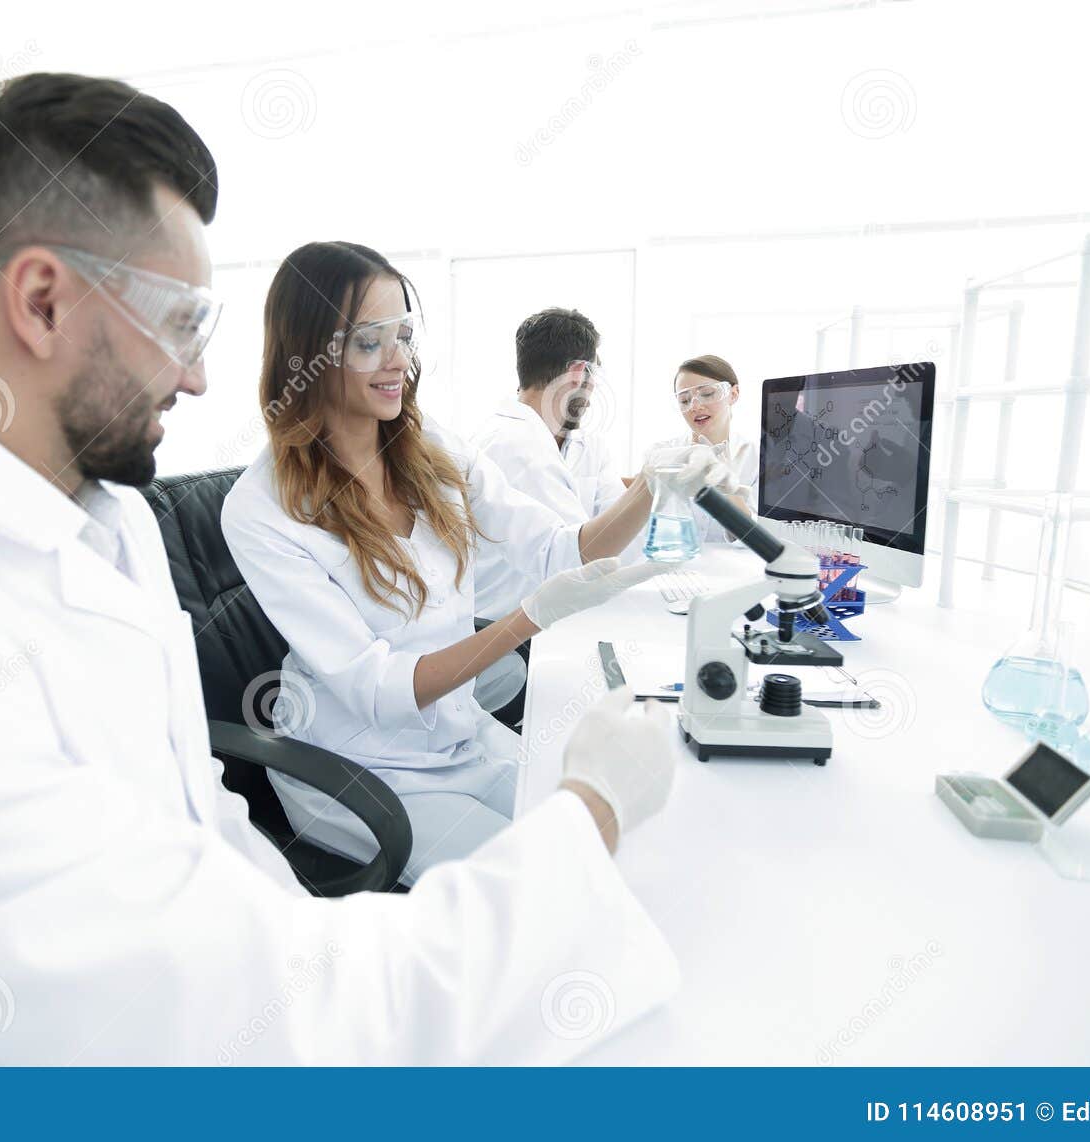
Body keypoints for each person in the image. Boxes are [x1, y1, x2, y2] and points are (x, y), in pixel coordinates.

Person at [0, 74, 684, 1065]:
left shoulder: (105, 529)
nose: (197, 374)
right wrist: (588, 802)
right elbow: (272, 1030)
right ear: (41, 302)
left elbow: (209, 834)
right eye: (181, 323)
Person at [220, 243, 719, 884]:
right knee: (556, 879)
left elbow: (562, 550)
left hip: (460, 735)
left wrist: (652, 484)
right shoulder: (262, 509)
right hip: (360, 767)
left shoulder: (433, 450)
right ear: (307, 353)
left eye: (404, 334)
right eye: (371, 341)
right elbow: (378, 688)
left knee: (632, 841)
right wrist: (529, 619)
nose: (399, 359)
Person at [470, 308, 635, 621]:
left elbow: (621, 534)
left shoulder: (591, 446)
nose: (594, 387)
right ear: (578, 371)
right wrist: (653, 485)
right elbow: (577, 561)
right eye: (593, 374)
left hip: (559, 616)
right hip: (503, 630)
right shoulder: (509, 444)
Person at [661, 354, 759, 543]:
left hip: (736, 570)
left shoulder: (755, 457)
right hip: (676, 570)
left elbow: (757, 539)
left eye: (707, 394)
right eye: (684, 400)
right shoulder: (665, 454)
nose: (695, 406)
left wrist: (728, 493)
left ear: (733, 394)